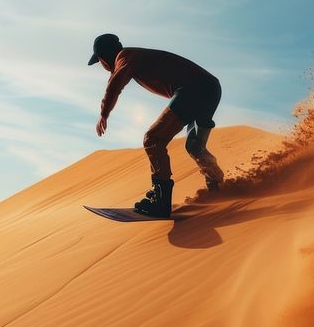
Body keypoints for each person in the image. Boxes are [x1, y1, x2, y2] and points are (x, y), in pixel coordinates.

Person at [88, 33, 224, 218]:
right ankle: (217, 185)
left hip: (193, 90)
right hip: (210, 88)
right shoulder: (134, 57)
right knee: (195, 146)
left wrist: (104, 114)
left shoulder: (125, 57)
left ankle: (160, 201)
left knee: (153, 139)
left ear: (103, 58)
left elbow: (115, 83)